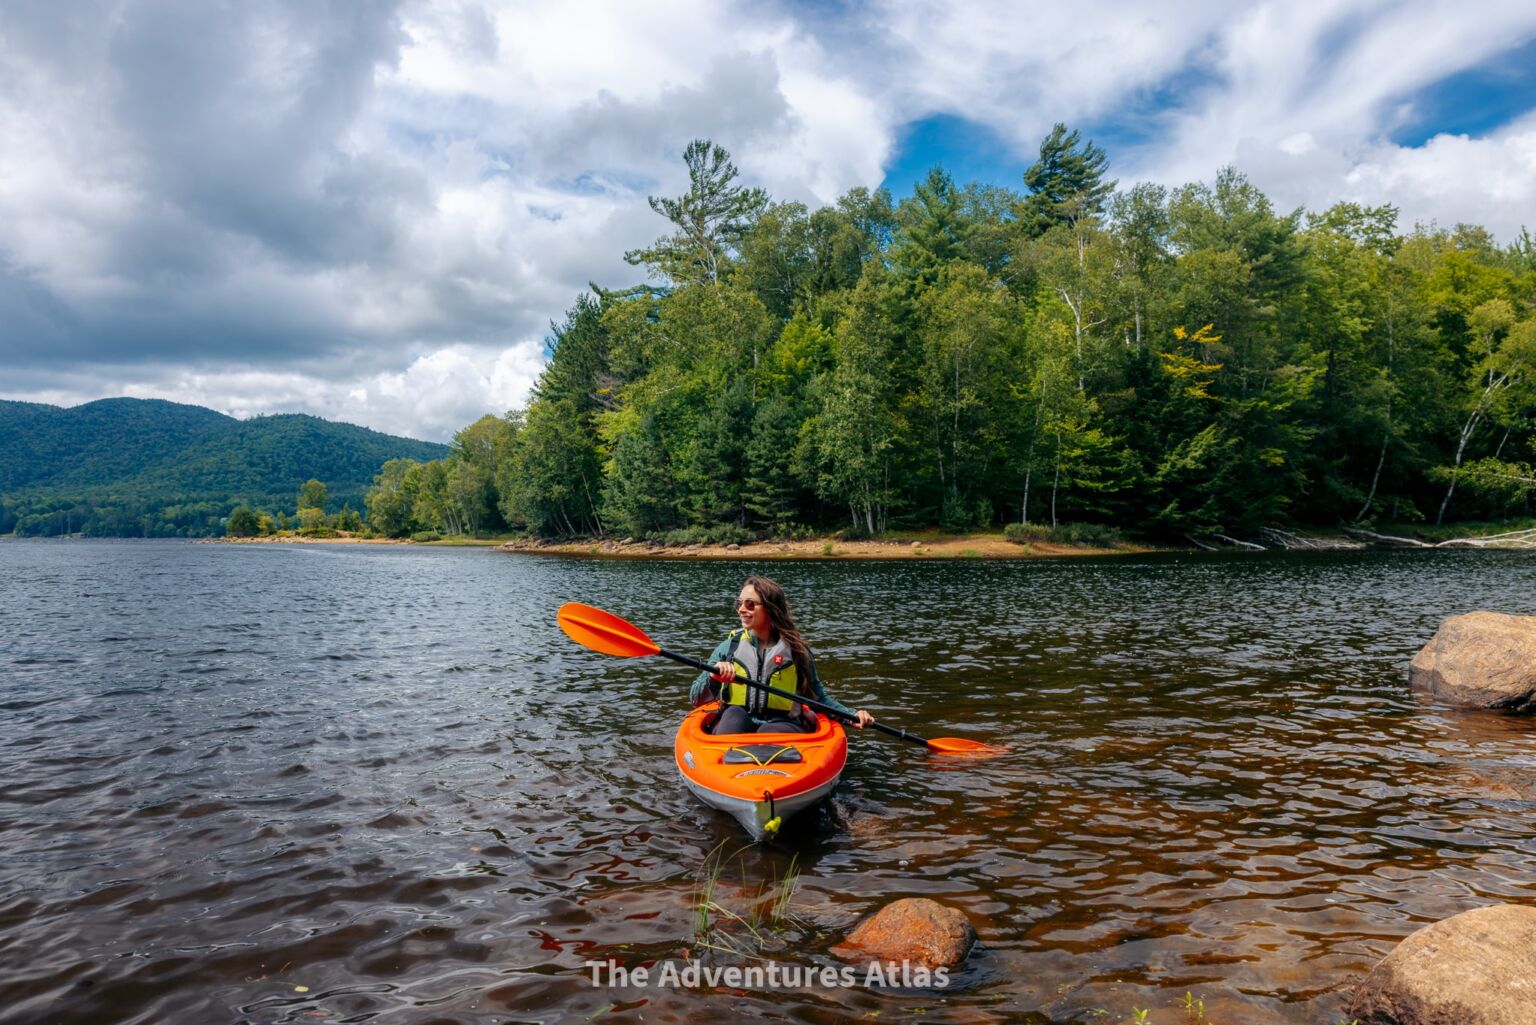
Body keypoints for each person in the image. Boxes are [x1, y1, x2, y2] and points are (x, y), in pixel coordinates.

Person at [689, 575, 876, 734]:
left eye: (750, 604)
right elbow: (696, 698)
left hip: (782, 723)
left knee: (769, 732)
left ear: (770, 608)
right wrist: (713, 676)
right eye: (739, 603)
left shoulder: (796, 652)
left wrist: (851, 715)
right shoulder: (728, 648)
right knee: (733, 716)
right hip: (737, 718)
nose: (741, 609)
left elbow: (818, 698)